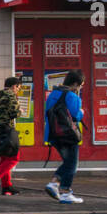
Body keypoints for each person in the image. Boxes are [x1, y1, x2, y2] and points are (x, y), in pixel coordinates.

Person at [42, 70, 85, 204]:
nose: (81, 88)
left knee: (68, 162)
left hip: (53, 134)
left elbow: (47, 114)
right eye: (81, 85)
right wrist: (82, 112)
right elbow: (75, 116)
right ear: (75, 84)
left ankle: (57, 185)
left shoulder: (53, 94)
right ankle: (64, 191)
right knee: (72, 163)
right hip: (68, 135)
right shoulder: (72, 96)